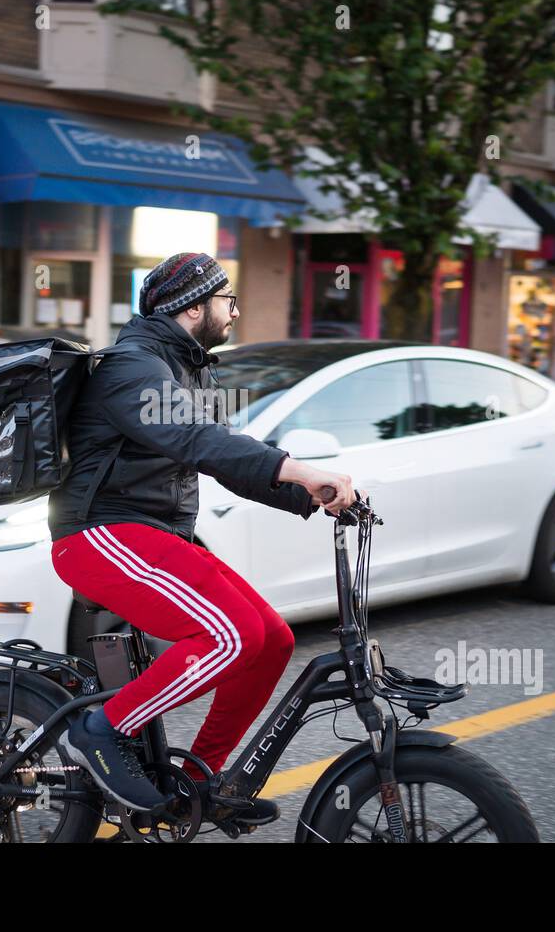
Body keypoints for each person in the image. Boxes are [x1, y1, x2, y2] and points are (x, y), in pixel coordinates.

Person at [48, 251, 357, 820]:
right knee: (229, 635)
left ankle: (198, 783)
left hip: (157, 534)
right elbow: (195, 440)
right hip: (99, 534)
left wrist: (307, 496)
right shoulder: (131, 367)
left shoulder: (191, 368)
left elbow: (223, 459)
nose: (235, 311)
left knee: (270, 639)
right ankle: (101, 730)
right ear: (194, 307)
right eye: (227, 300)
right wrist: (299, 467)